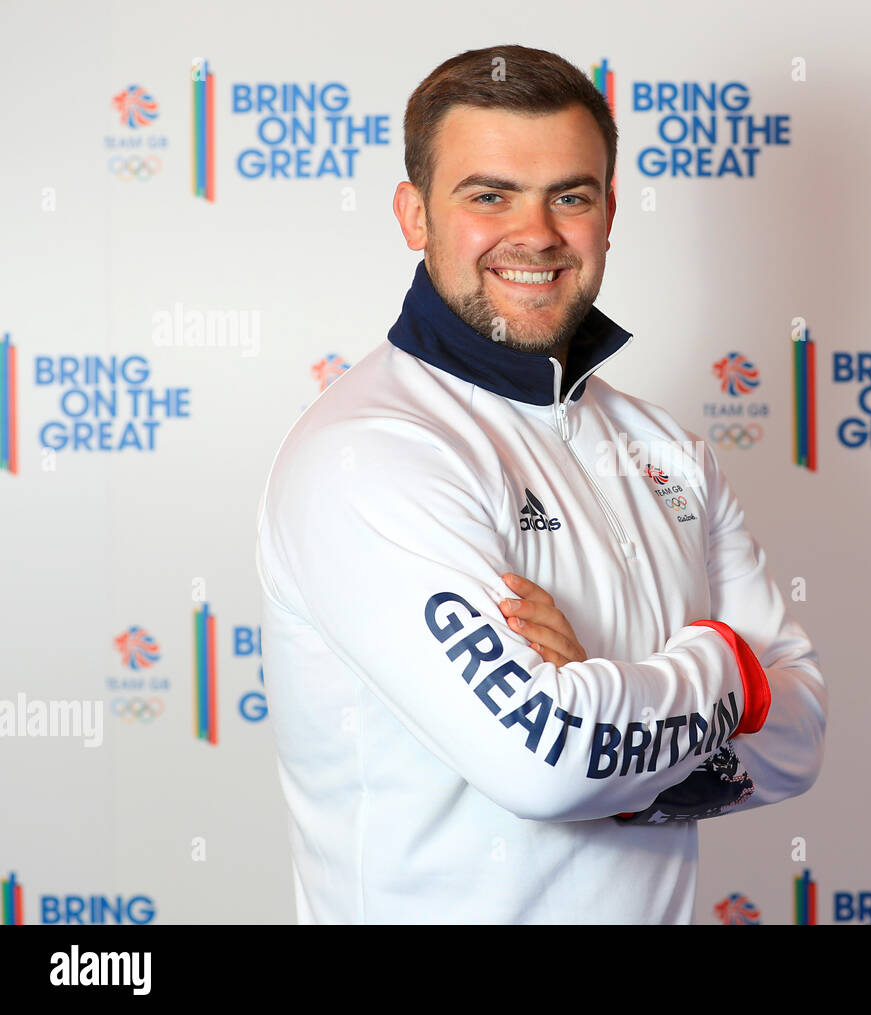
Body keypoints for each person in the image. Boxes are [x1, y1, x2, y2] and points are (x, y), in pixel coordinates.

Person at [255, 43, 827, 924]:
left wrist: (611, 718)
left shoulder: (667, 449)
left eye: (571, 195)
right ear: (414, 215)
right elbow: (552, 761)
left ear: (608, 212)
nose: (536, 234)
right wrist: (730, 670)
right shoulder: (370, 452)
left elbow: (800, 739)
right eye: (489, 196)